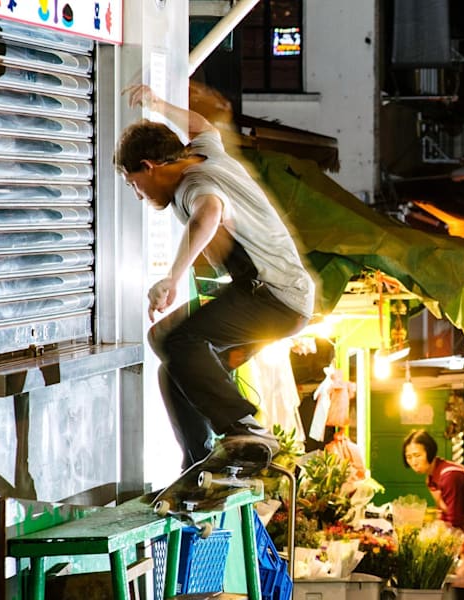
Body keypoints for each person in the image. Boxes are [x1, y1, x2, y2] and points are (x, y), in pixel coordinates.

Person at [116, 84, 316, 468]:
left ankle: (245, 428)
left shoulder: (194, 184)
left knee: (180, 341)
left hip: (273, 297)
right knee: (172, 359)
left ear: (149, 167)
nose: (139, 195)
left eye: (134, 184)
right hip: (274, 296)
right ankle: (199, 460)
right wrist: (158, 104)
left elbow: (208, 213)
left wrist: (173, 278)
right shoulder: (204, 153)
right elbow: (202, 124)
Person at [402, 429, 464, 600]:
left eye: (417, 455)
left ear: (429, 452)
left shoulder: (449, 476)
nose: (413, 462)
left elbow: (454, 519)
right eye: (409, 457)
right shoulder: (431, 477)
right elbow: (446, 514)